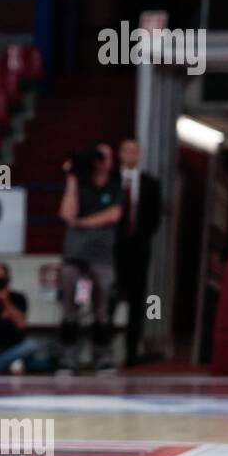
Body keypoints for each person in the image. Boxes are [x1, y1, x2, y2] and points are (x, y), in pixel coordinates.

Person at [59, 142, 122, 370]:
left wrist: (84, 222)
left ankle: (102, 355)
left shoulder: (115, 185)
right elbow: (67, 213)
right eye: (102, 157)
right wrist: (72, 178)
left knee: (102, 308)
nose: (106, 161)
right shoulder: (80, 183)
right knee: (70, 308)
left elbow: (114, 214)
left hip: (102, 255)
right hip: (75, 253)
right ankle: (68, 355)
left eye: (108, 157)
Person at [114, 139, 162, 366]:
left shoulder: (150, 183)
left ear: (140, 155)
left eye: (135, 151)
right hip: (112, 250)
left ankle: (132, 350)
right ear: (120, 154)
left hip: (139, 250)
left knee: (138, 300)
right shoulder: (112, 181)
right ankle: (102, 347)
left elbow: (154, 218)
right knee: (109, 297)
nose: (131, 155)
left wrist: (139, 239)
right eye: (127, 151)